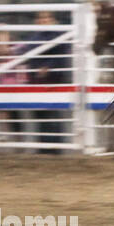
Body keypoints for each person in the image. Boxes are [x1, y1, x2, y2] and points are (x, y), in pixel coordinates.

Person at [28, 10, 69, 154]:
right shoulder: (34, 37)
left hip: (54, 79)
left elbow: (63, 56)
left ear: (52, 19)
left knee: (54, 111)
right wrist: (35, 69)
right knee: (40, 113)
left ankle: (56, 146)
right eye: (41, 17)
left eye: (47, 17)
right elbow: (29, 57)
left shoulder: (58, 35)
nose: (44, 20)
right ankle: (44, 145)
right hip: (36, 79)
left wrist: (49, 67)